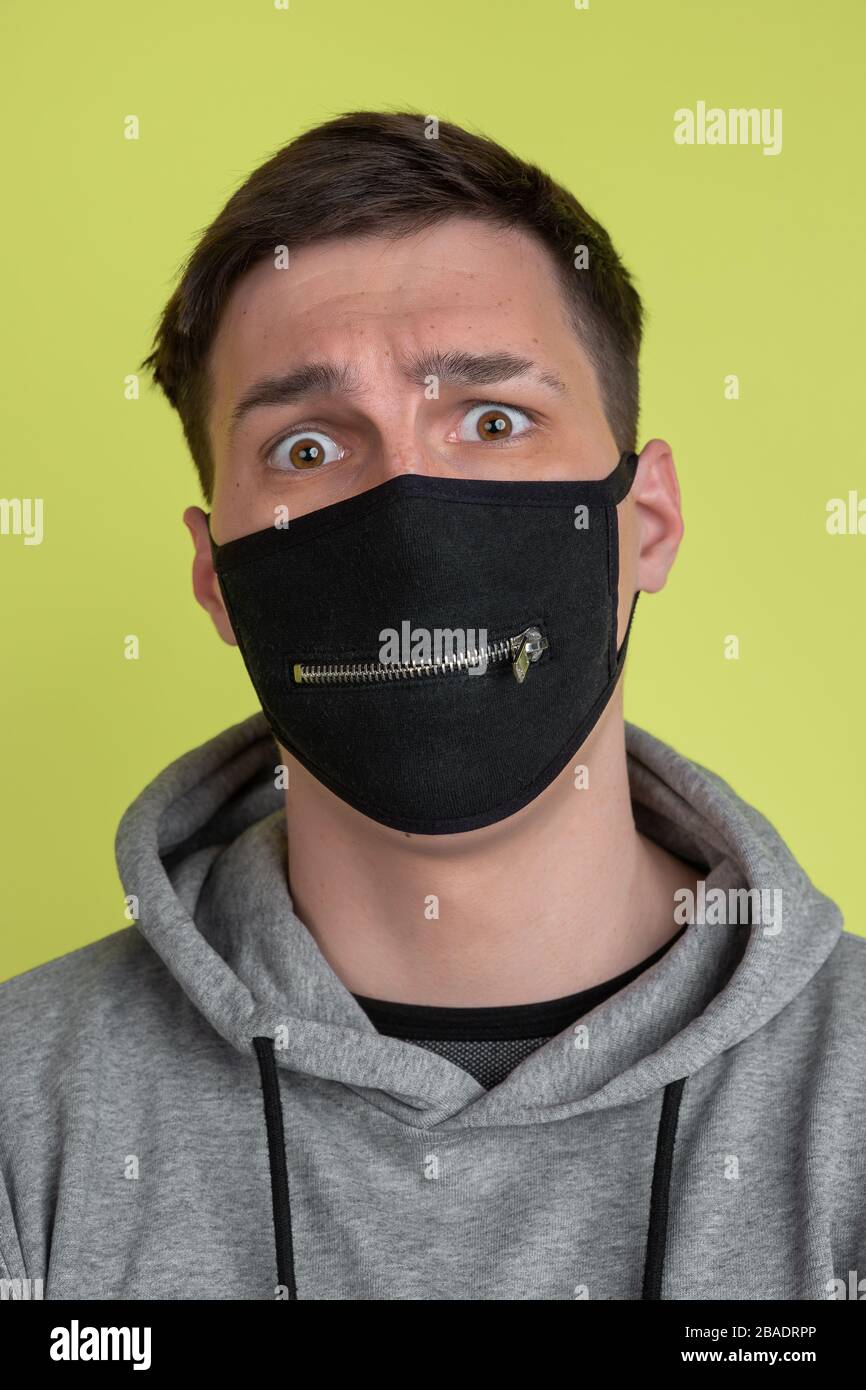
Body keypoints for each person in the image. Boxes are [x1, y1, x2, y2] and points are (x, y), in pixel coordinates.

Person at [1, 111, 863, 1302]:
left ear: (647, 519)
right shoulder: (24, 1116)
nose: (410, 514)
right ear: (214, 580)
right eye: (307, 448)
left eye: (493, 421)